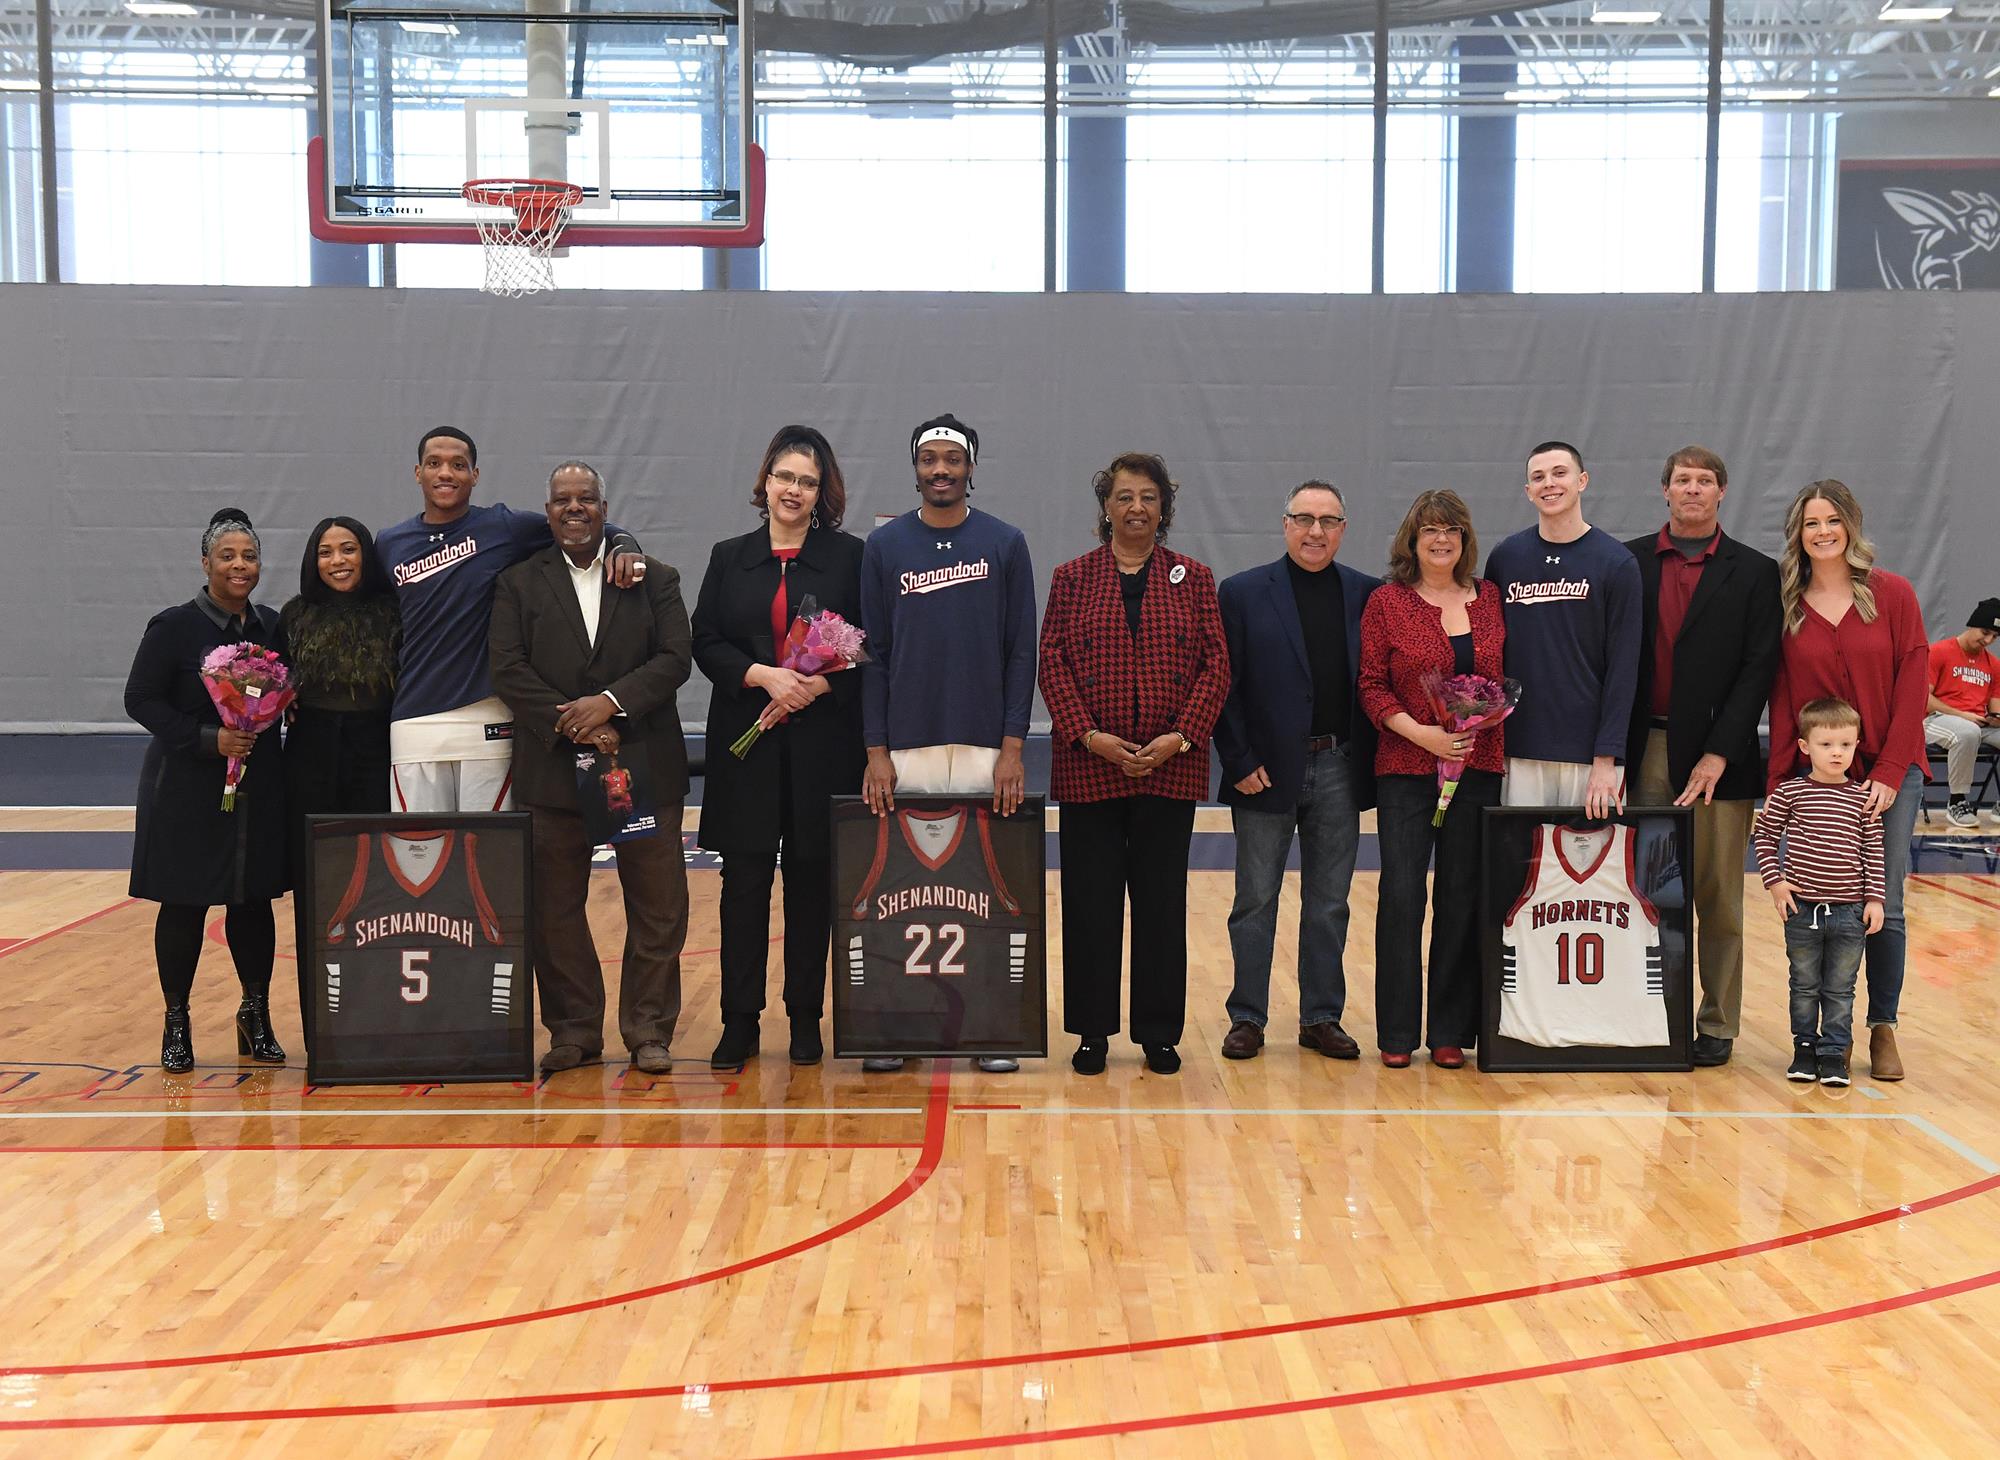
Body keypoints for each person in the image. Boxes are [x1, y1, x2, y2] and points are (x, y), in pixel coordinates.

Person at [488, 461, 694, 1075]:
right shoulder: (517, 583)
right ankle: (574, 1030)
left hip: (641, 767)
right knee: (553, 910)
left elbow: (675, 657)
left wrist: (609, 702)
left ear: (605, 508)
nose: (573, 509)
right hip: (552, 772)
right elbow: (508, 667)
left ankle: (649, 1029)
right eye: (561, 500)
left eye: (585, 499)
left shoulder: (653, 576)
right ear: (546, 511)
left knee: (658, 907)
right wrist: (571, 719)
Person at [1038, 453, 1229, 1076]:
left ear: (1163, 509)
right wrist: (1089, 736)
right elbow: (1052, 664)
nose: (1136, 508)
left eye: (1148, 497)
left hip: (1168, 768)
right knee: (1089, 905)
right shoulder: (1071, 579)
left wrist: (1180, 737)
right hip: (1091, 768)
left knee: (1160, 905)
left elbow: (1215, 668)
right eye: (1124, 496)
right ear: (1106, 507)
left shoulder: (1194, 578)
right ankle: (1092, 1032)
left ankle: (1158, 1033)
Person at [857, 413, 1037, 1074]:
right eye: (929, 459)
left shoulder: (1005, 543)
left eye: (951, 461)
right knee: (897, 890)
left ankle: (989, 1026)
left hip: (986, 747)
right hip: (906, 747)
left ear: (969, 469)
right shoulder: (885, 548)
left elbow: (1022, 651)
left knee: (987, 889)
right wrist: (876, 750)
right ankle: (898, 1024)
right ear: (916, 467)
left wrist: (1014, 747)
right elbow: (870, 654)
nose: (940, 470)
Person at [692, 425, 866, 1071]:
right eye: (785, 477)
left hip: (822, 749)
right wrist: (762, 675)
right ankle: (739, 1021)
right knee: (743, 886)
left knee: (812, 886)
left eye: (808, 482)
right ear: (765, 481)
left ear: (823, 494)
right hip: (748, 752)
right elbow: (704, 639)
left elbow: (867, 650)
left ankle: (803, 1018)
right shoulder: (728, 555)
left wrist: (817, 684)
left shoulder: (850, 558)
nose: (794, 490)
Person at [378, 427, 643, 815]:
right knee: (419, 854)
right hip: (414, 718)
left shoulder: (503, 527)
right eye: (434, 464)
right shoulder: (390, 542)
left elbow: (576, 521)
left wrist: (625, 543)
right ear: (418, 472)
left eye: (458, 465)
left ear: (476, 475)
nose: (446, 473)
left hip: (487, 714)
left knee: (489, 856)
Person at [1622, 446, 1782, 1069]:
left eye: (1705, 481)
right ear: (1664, 490)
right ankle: (1652, 1013)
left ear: (1721, 494)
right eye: (1682, 480)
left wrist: (1719, 752)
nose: (1693, 490)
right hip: (1647, 751)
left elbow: (1758, 669)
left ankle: (1717, 1022)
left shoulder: (1754, 571)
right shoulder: (1627, 562)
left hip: (1722, 760)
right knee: (1651, 893)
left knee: (1717, 896)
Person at [1213, 480, 1380, 1062]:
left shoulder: (1367, 595)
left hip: (1339, 764)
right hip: (1265, 771)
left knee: (1330, 901)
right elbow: (1221, 688)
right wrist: (1238, 760)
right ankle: (1248, 1017)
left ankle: (1320, 1017)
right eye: (1304, 519)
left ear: (1343, 529)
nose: (1316, 531)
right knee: (1255, 899)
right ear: (1284, 524)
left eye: (1328, 521)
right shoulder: (1239, 593)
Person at [1767, 480, 1928, 1082]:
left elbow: (1915, 685)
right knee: (1812, 901)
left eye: (1832, 520)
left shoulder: (1893, 595)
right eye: (1811, 523)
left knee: (1885, 900)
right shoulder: (1787, 603)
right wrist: (1785, 777)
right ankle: (1815, 1038)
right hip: (1815, 780)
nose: (1823, 531)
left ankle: (1882, 1026)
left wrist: (1889, 769)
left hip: (1888, 773)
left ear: (1852, 526)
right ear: (1798, 534)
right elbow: (1782, 697)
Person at [124, 508, 290, 1072]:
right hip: (187, 788)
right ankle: (176, 1020)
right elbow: (140, 699)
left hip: (256, 787)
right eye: (228, 556)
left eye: (249, 556)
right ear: (206, 563)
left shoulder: (272, 626)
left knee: (252, 902)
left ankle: (255, 1013)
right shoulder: (172, 627)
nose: (240, 566)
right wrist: (205, 739)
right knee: (184, 905)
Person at [1357, 490, 1504, 1069]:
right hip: (1406, 769)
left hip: (1480, 768)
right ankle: (1396, 1033)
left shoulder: (1490, 597)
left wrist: (1472, 732)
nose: (1441, 541)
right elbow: (1371, 684)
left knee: (1462, 897)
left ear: (1465, 541)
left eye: (1451, 531)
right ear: (1412, 542)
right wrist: (1425, 736)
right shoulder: (1387, 602)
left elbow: (1498, 681)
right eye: (1430, 532)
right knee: (1401, 896)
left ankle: (1449, 1030)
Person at [279, 517, 401, 1041]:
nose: (338, 560)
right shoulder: (292, 616)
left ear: (366, 555)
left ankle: (378, 1014)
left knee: (377, 890)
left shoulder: (394, 612)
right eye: (326, 552)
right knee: (319, 893)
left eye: (348, 549)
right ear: (313, 560)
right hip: (309, 763)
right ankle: (322, 1028)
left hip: (377, 755)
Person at [1485, 440, 1642, 819]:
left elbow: (1624, 669)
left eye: (1559, 473)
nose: (1549, 484)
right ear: (1527, 491)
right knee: (1523, 872)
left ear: (1582, 480)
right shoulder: (1506, 558)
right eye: (1538, 477)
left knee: (1588, 873)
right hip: (1519, 748)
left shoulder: (1617, 563)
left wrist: (1607, 756)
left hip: (1589, 755)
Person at [1753, 698, 1887, 1088]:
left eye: (1845, 745)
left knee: (1841, 988)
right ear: (1805, 746)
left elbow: (1873, 850)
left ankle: (1833, 1055)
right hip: (1802, 910)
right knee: (1804, 985)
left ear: (1856, 745)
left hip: (1849, 912)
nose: (1837, 753)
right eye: (1827, 744)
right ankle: (1804, 1049)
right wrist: (1775, 881)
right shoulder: (1790, 793)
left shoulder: (1863, 798)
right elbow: (1763, 835)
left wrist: (1875, 899)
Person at [1922, 598, 2000, 828]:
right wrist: (1961, 715)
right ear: (1972, 624)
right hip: (1935, 720)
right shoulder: (1938, 652)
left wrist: (1995, 718)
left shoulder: (1994, 665)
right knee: (1967, 732)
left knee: (1972, 731)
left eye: (1994, 637)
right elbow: (1924, 700)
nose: (1988, 640)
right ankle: (1956, 801)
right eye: (1985, 632)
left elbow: (1995, 707)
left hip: (1978, 724)